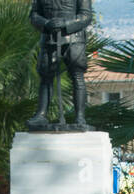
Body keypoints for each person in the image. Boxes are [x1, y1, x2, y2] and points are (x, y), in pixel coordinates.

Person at [27, 0, 92, 130]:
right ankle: (41, 114)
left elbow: (86, 16)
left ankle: (80, 116)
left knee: (77, 76)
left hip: (74, 39)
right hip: (49, 38)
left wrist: (66, 24)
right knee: (45, 77)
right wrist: (46, 23)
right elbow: (33, 15)